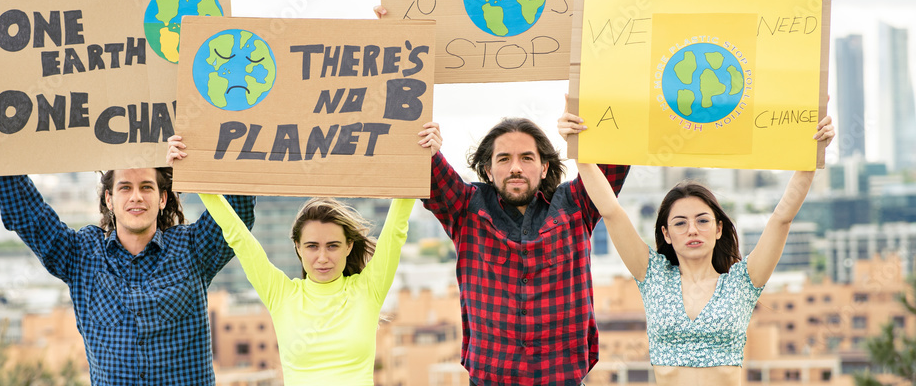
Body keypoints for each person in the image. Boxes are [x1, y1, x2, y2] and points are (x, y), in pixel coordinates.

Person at [0, 82, 257, 385]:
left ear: (163, 198)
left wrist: (204, 150)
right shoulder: (81, 257)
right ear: (108, 199)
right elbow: (27, 214)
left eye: (146, 187)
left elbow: (239, 212)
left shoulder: (194, 249)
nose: (136, 197)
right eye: (125, 188)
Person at [560, 101, 835, 385]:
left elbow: (781, 219)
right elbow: (611, 211)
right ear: (666, 234)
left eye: (702, 221)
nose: (692, 230)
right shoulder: (653, 276)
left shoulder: (742, 282)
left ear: (718, 229)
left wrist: (812, 155)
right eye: (680, 223)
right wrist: (579, 152)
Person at [416, 116, 629, 385]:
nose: (516, 168)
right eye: (504, 159)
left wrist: (580, 141)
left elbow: (614, 163)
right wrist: (428, 145)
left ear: (543, 168)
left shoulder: (576, 206)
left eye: (527, 158)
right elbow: (426, 169)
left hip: (562, 378)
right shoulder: (466, 209)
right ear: (489, 170)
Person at [197, 193, 416, 386]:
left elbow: (395, 230)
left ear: (349, 246)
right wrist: (194, 174)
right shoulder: (281, 295)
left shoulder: (368, 290)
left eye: (333, 245)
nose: (322, 258)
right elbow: (238, 237)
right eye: (312, 246)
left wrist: (423, 156)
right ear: (298, 248)